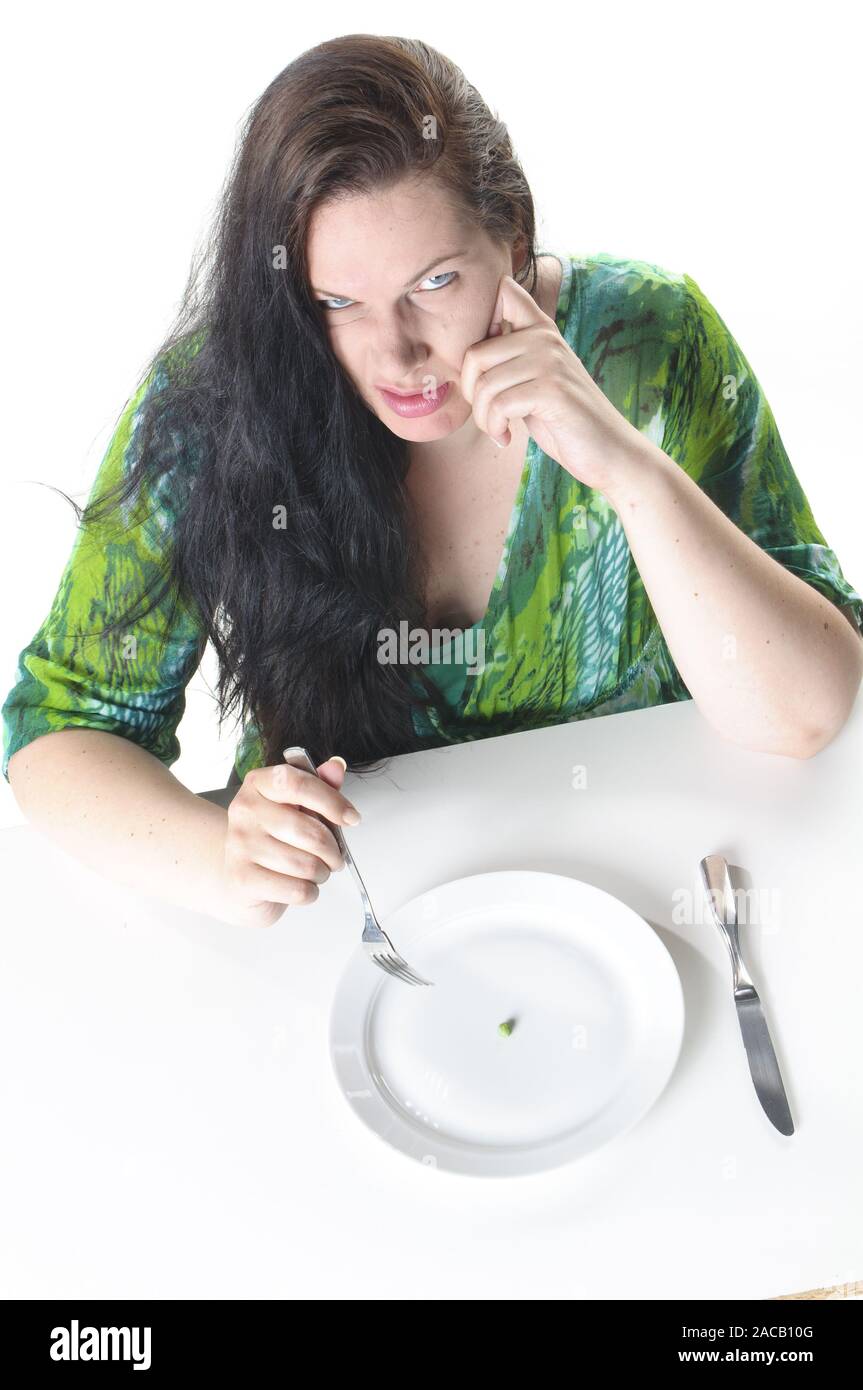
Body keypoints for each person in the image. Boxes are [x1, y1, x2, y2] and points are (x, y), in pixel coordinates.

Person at [4, 35, 862, 930]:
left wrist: (628, 471)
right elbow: (58, 729)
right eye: (337, 302)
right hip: (378, 930)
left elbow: (804, 715)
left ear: (514, 244)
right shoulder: (215, 407)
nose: (397, 354)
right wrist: (221, 858)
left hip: (661, 897)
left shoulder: (650, 338)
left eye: (435, 281)